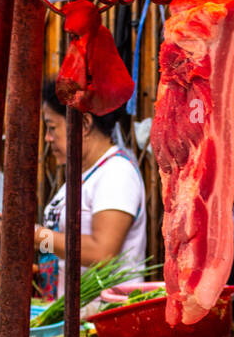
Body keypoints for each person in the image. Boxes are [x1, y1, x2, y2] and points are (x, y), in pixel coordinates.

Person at [33, 81, 148, 298]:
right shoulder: (86, 175)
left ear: (84, 124)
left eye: (52, 127)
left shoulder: (117, 173)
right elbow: (59, 247)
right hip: (73, 311)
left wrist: (35, 235)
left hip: (103, 312)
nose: (47, 138)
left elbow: (102, 253)